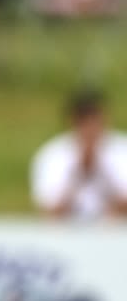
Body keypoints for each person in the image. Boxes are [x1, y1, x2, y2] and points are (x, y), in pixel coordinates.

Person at [31, 89, 127, 221]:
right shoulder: (53, 155)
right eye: (84, 121)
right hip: (67, 234)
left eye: (95, 120)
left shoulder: (122, 150)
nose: (91, 128)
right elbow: (51, 212)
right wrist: (79, 172)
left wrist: (101, 171)